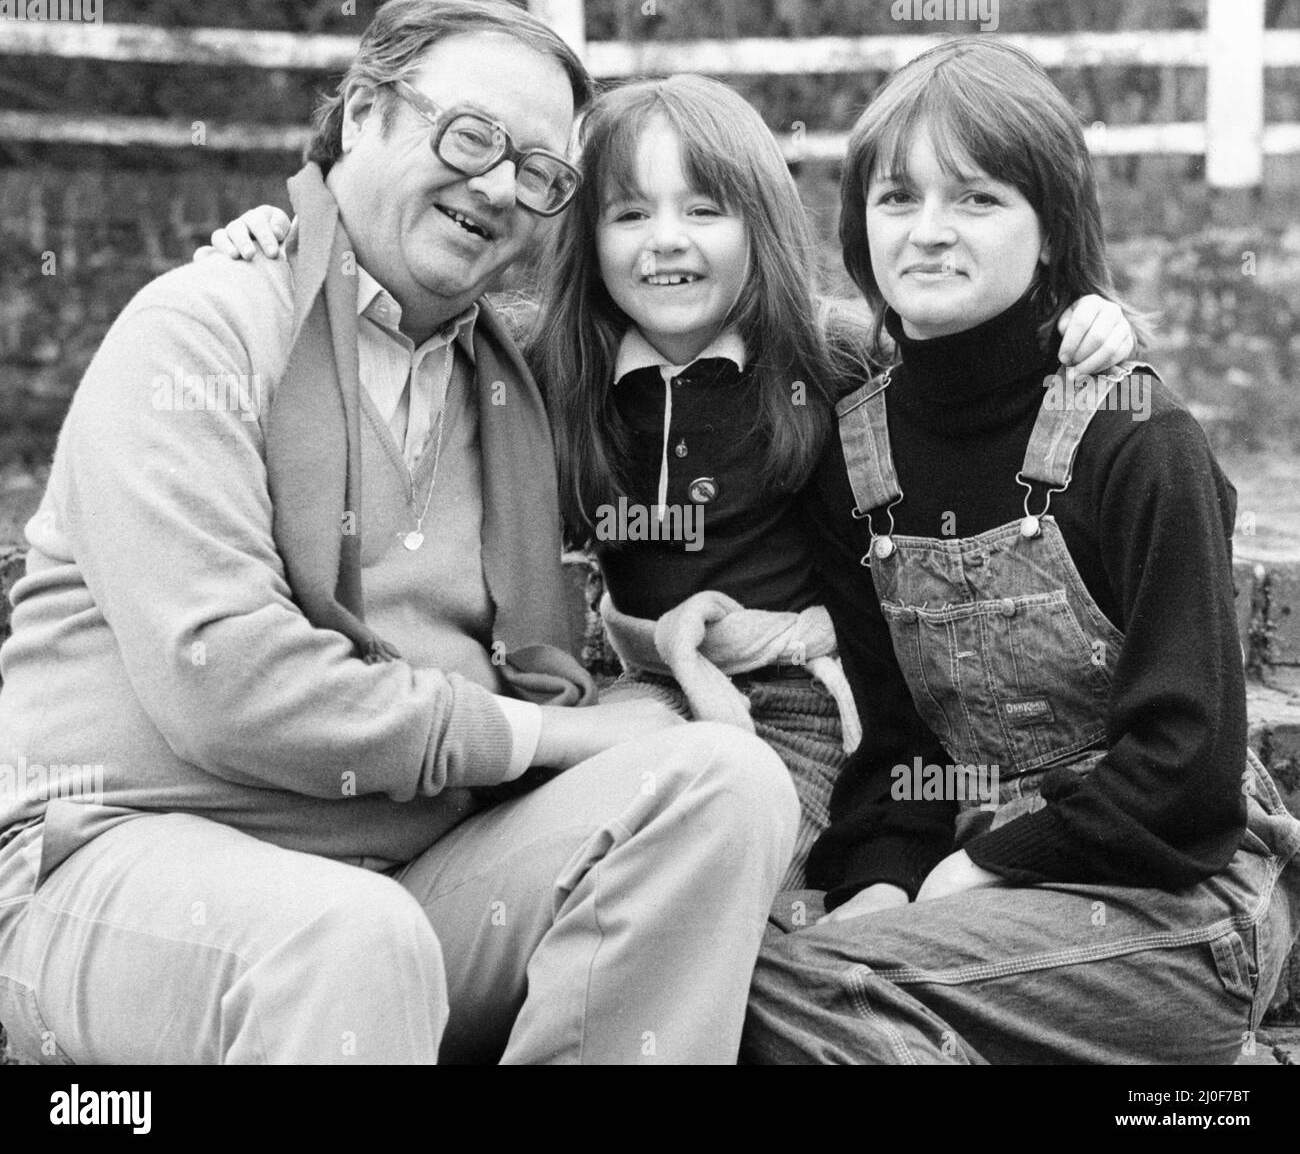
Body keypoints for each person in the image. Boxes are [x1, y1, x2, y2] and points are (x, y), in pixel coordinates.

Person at [0, 0, 802, 1066]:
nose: (496, 187)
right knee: (347, 939)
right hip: (118, 857)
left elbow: (778, 331)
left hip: (411, 874)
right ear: (363, 114)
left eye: (537, 173)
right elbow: (226, 681)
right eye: (469, 134)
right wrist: (554, 734)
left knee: (720, 782)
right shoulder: (202, 331)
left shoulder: (513, 382)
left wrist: (1084, 333)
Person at [208, 73, 1137, 891]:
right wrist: (285, 243)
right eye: (628, 214)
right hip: (641, 687)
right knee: (577, 868)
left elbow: (980, 359)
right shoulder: (546, 365)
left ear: (759, 224)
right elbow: (391, 306)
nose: (666, 243)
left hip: (796, 701)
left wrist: (1094, 319)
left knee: (717, 880)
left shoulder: (829, 357)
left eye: (703, 210)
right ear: (588, 235)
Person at [741, 38, 1300, 1064]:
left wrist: (985, 868)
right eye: (898, 199)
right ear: (859, 231)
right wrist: (880, 887)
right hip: (982, 906)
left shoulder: (1133, 439)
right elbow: (900, 751)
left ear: (1050, 234)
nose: (930, 232)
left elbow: (1189, 769)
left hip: (1176, 904)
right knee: (757, 973)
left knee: (773, 990)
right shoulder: (855, 460)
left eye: (978, 199)